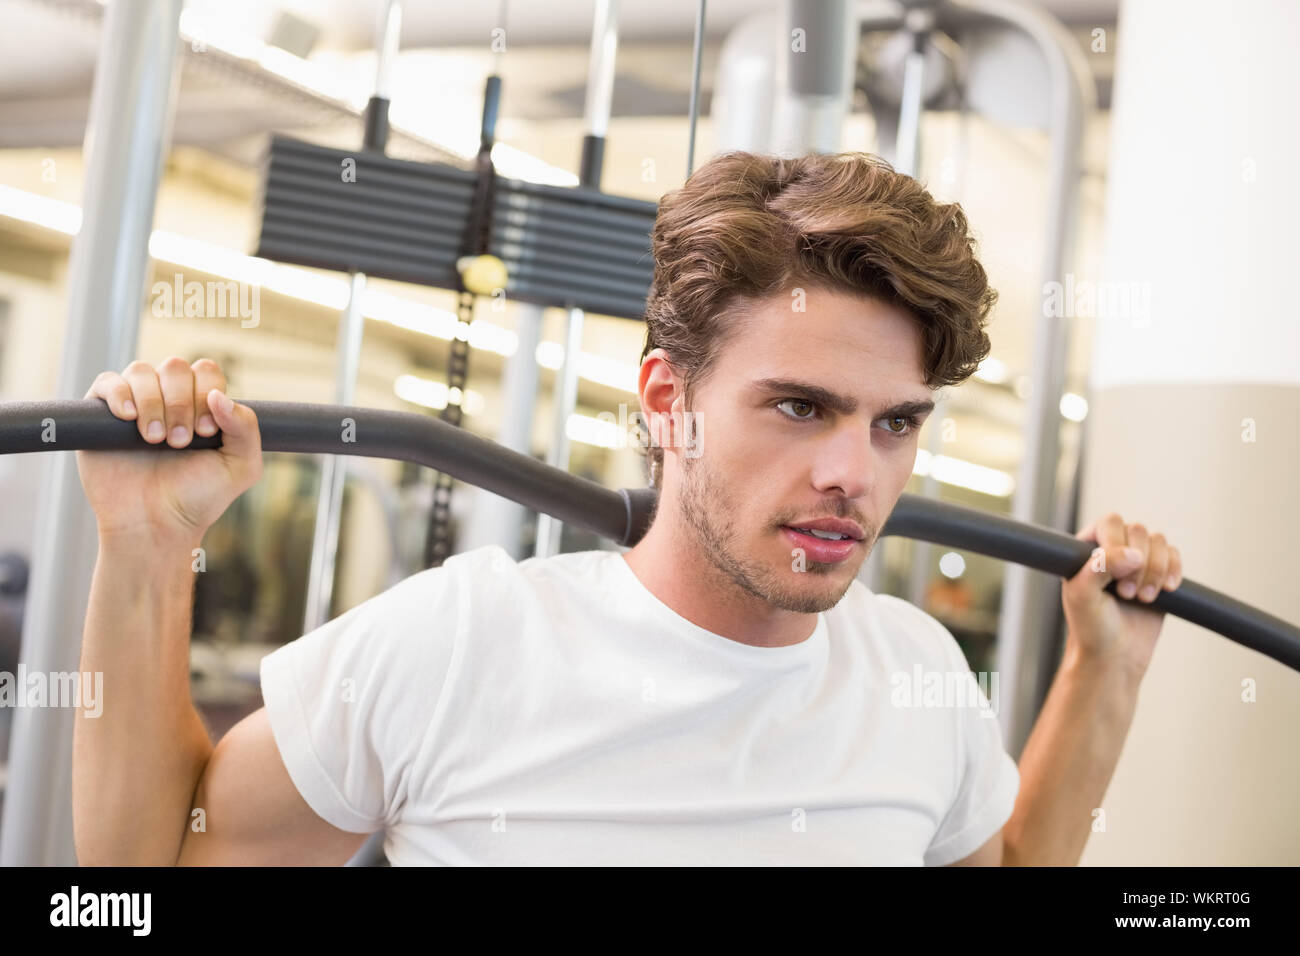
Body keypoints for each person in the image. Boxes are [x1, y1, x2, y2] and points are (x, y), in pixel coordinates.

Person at [71, 150, 1183, 866]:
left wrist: (1109, 668)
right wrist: (147, 548)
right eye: (800, 405)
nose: (856, 471)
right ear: (669, 401)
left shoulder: (914, 666)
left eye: (896, 421)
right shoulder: (460, 641)